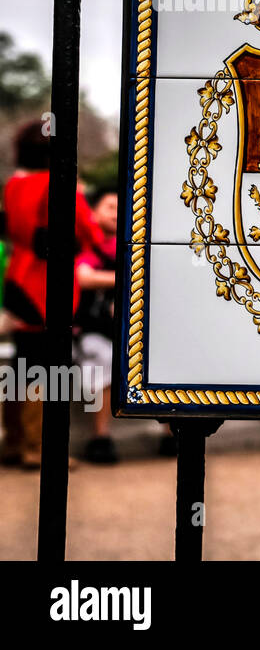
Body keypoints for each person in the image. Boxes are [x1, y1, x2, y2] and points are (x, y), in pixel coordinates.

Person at [0, 120, 101, 469]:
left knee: (22, 365)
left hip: (18, 278)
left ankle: (14, 441)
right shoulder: (60, 183)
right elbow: (86, 229)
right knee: (45, 369)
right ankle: (37, 448)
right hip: (46, 286)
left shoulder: (14, 184)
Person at [73, 188, 119, 464]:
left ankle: (168, 433)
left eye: (119, 207)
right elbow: (84, 278)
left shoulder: (133, 243)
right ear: (94, 213)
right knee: (101, 359)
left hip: (126, 332)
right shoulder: (88, 245)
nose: (116, 213)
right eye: (109, 207)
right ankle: (100, 437)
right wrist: (126, 277)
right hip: (93, 330)